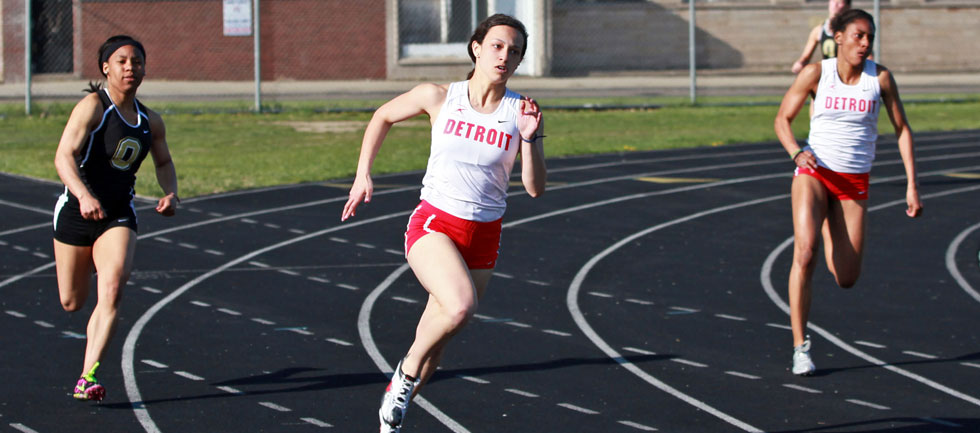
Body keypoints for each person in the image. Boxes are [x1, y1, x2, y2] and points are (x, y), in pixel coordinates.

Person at [341, 14, 545, 433]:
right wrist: (363, 173)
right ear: (476, 48)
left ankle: (391, 418)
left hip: (484, 237)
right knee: (460, 306)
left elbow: (535, 188)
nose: (505, 56)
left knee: (436, 347)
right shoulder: (439, 96)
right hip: (434, 224)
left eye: (515, 51)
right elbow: (382, 116)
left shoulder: (520, 112)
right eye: (497, 46)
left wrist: (530, 138)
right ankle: (401, 376)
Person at [774, 9, 922, 376]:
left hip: (853, 182)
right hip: (814, 171)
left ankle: (827, 222)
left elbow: (902, 130)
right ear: (838, 38)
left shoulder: (881, 78)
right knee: (804, 253)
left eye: (870, 36)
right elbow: (782, 119)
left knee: (846, 277)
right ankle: (800, 346)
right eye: (858, 35)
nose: (865, 43)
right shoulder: (816, 74)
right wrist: (796, 151)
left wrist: (911, 185)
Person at [53, 35, 178, 401]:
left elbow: (165, 162)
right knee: (72, 302)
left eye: (136, 61)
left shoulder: (149, 121)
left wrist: (170, 192)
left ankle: (86, 376)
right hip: (77, 211)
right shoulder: (93, 107)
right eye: (121, 61)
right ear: (105, 67)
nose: (130, 67)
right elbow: (64, 156)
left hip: (118, 214)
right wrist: (83, 194)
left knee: (112, 287)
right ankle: (89, 262)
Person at [791, 0, 852, 74]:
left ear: (848, 6)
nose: (835, 5)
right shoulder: (819, 30)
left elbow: (867, 56)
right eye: (833, 1)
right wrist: (800, 63)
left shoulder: (852, 30)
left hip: (848, 74)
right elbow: (805, 57)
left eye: (839, 2)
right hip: (828, 75)